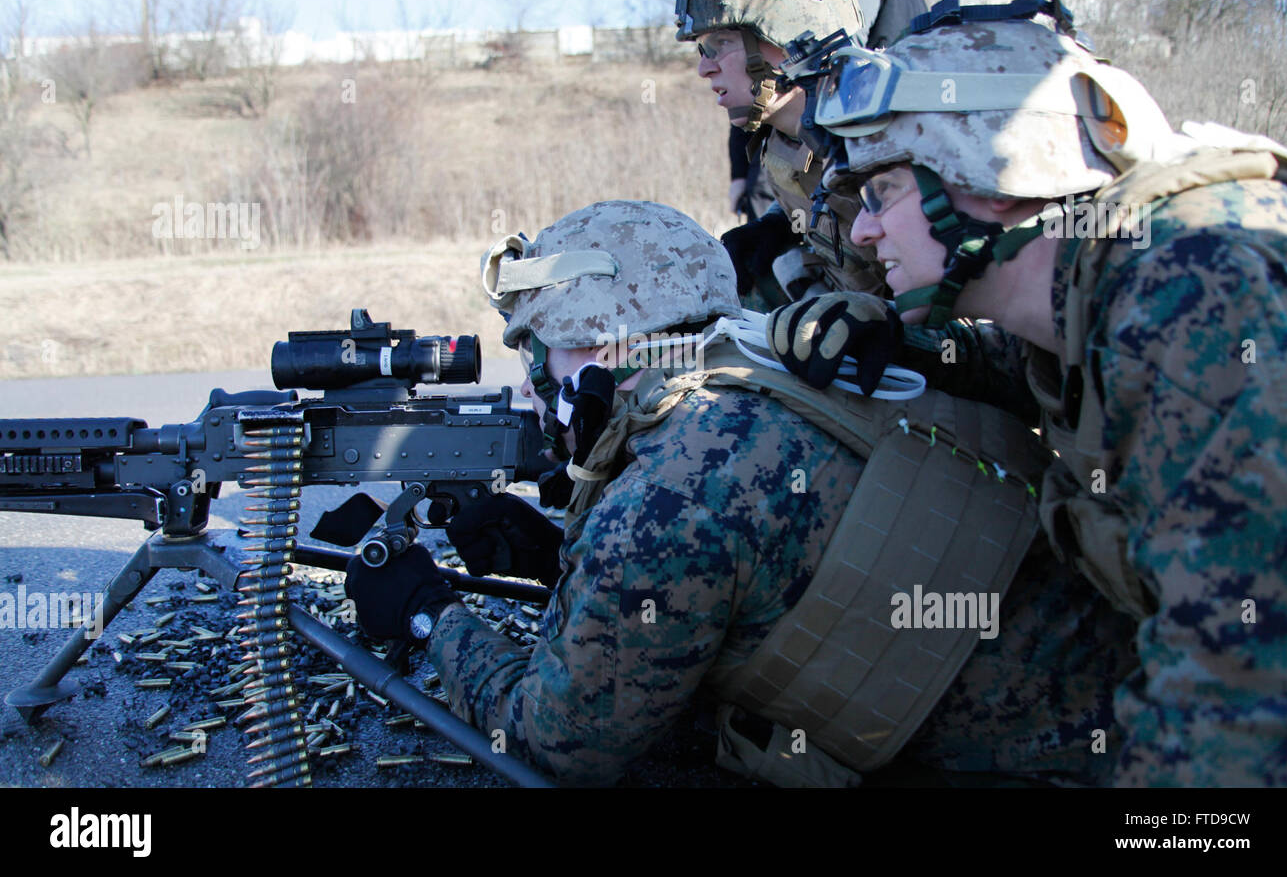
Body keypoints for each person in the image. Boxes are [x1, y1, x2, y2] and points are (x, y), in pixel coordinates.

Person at [345, 199, 1136, 787]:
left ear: (588, 340)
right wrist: (559, 562)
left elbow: (560, 746)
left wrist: (427, 612)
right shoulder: (785, 360)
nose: (534, 381)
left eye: (538, 349)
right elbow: (768, 575)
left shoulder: (663, 499)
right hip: (1131, 678)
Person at [766, 0, 1287, 786]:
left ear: (995, 175)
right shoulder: (1105, 290)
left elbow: (1243, 709)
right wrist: (900, 339)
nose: (863, 234)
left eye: (883, 195)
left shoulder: (1195, 294)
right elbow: (1034, 365)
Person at [679, 0, 904, 309]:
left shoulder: (883, 140)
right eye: (704, 49)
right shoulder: (784, 137)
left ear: (784, 39)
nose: (704, 68)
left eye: (721, 44)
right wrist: (776, 225)